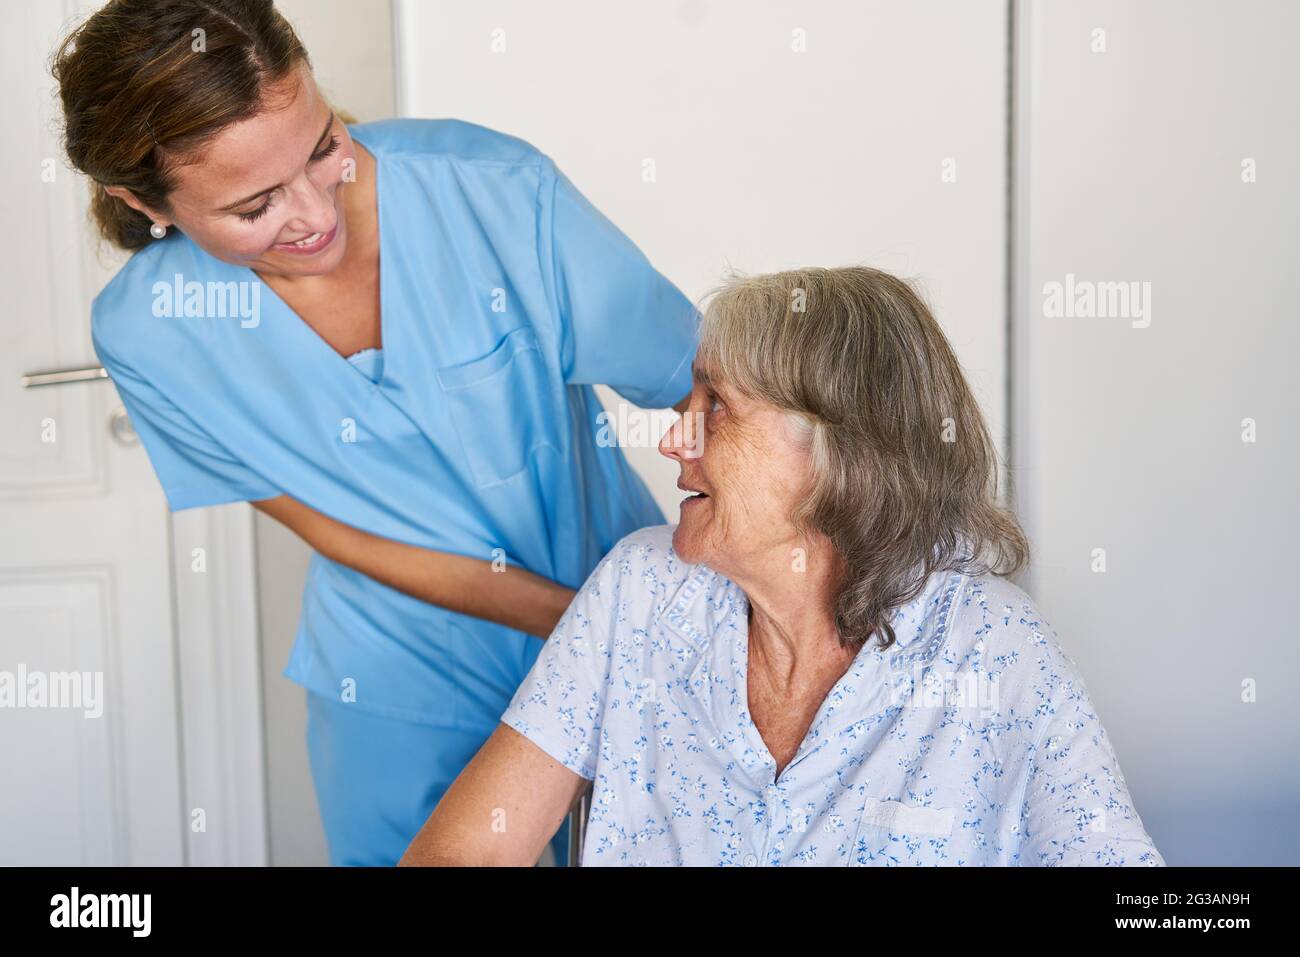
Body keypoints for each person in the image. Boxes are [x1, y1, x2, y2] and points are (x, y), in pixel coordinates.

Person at [54, 0, 696, 865]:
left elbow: (708, 399)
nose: (316, 213)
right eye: (255, 206)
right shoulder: (148, 332)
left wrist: (731, 614)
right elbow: (335, 533)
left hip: (632, 627)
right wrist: (583, 625)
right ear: (144, 201)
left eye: (323, 149)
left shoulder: (494, 192)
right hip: (397, 681)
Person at [400, 266, 1166, 866]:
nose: (675, 438)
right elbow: (461, 848)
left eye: (718, 406)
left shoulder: (994, 644)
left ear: (839, 452)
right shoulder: (639, 589)